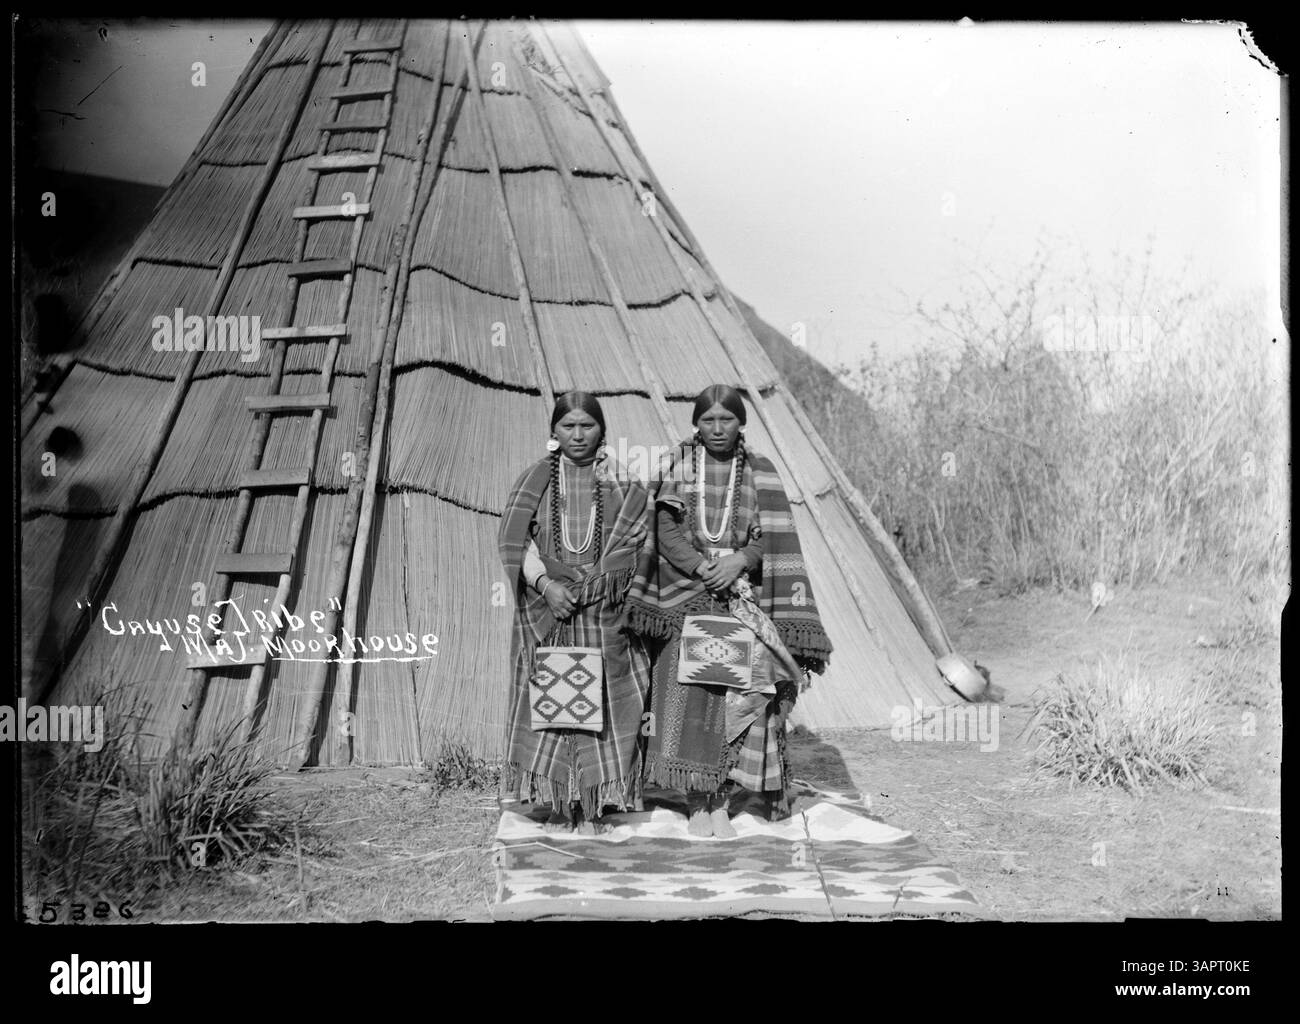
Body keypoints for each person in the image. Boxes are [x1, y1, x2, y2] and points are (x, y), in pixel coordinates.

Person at [628, 385, 833, 837]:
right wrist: (704, 567)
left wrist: (739, 561)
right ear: (695, 424)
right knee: (686, 697)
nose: (717, 428)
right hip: (685, 594)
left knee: (739, 698)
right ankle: (696, 801)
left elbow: (773, 537)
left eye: (727, 420)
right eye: (708, 420)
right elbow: (664, 528)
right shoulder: (677, 468)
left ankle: (722, 798)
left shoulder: (761, 472)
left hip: (742, 596)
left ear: (741, 424)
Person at [498, 391, 651, 833]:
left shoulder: (624, 485)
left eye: (588, 426)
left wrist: (599, 584)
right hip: (551, 611)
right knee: (553, 700)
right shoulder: (535, 480)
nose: (579, 435)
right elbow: (515, 542)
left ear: (603, 430)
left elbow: (639, 545)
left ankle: (597, 803)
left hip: (604, 613)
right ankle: (562, 804)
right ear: (554, 431)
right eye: (569, 426)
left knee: (604, 703)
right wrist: (546, 586)